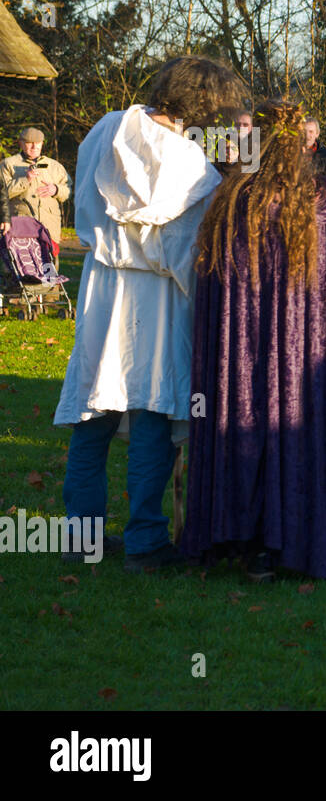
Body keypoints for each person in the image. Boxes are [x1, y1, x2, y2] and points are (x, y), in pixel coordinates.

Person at [54, 55, 248, 571]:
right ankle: (143, 541)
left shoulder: (104, 129)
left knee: (96, 412)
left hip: (103, 286)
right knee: (153, 415)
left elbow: (87, 206)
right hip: (158, 296)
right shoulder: (193, 165)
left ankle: (82, 537)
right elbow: (189, 250)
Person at [183, 99, 326, 580]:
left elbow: (218, 293)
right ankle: (311, 537)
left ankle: (251, 542)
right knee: (304, 428)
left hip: (248, 354)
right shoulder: (323, 198)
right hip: (311, 355)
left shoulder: (235, 197)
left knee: (249, 423)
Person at [2, 126, 71, 264]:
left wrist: (56, 190)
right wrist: (25, 180)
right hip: (21, 228)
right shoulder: (8, 164)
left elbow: (68, 190)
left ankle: (52, 286)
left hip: (49, 228)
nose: (34, 146)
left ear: (42, 143)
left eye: (38, 142)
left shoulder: (55, 166)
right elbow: (2, 194)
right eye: (29, 143)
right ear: (20, 143)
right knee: (21, 269)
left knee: (50, 271)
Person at [219, 109, 255, 179]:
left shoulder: (259, 147)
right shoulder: (223, 143)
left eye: (245, 125)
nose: (241, 128)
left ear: (252, 127)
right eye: (238, 124)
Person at [302, 117, 326, 184]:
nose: (307, 135)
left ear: (317, 134)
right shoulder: (293, 153)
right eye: (304, 131)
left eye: (311, 132)